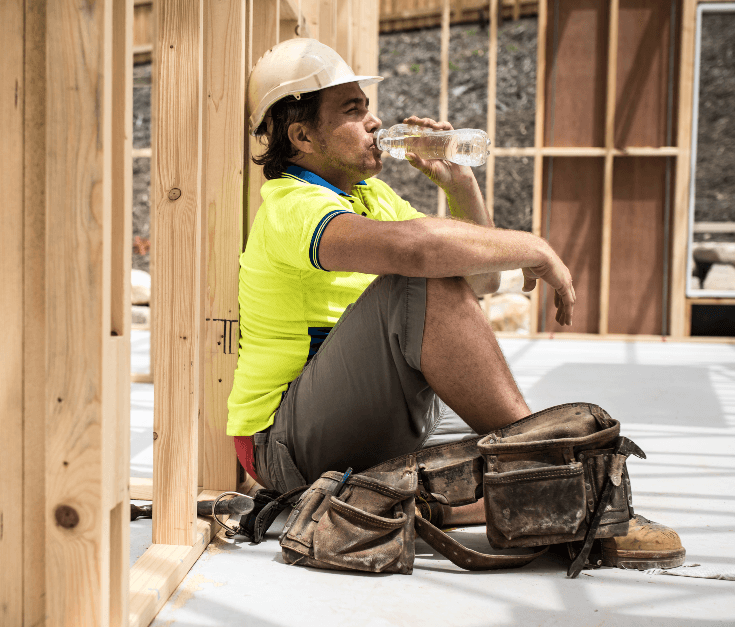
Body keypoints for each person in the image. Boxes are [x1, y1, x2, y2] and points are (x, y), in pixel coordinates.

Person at [228, 38, 684, 567]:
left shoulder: (366, 196)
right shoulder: (293, 206)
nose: (375, 122)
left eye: (368, 106)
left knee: (489, 430)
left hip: (353, 423)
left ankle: (462, 496)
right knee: (417, 280)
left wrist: (460, 184)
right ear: (302, 135)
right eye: (353, 111)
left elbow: (481, 280)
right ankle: (562, 487)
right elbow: (422, 255)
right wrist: (535, 245)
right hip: (283, 445)